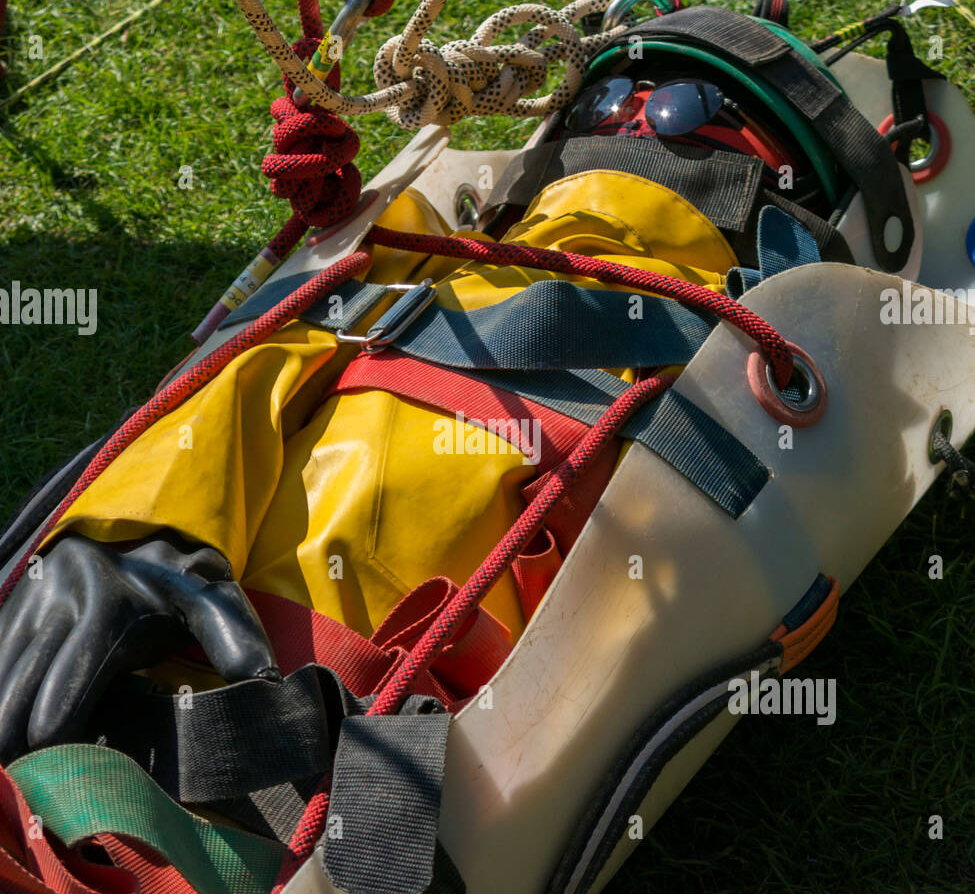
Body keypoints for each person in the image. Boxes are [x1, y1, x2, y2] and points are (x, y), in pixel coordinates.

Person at [0, 55, 821, 762]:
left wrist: (139, 517)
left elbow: (270, 353)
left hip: (293, 753)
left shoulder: (400, 259)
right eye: (635, 110)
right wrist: (147, 525)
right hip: (348, 757)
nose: (647, 121)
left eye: (658, 114)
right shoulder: (720, 370)